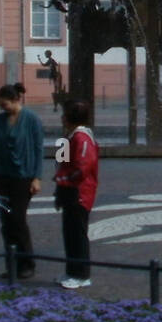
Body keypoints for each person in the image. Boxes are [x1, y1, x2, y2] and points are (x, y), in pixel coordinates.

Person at [0, 84, 43, 279]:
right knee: (6, 222)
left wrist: (37, 177)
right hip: (1, 175)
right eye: (0, 106)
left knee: (18, 220)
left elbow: (39, 150)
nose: (2, 109)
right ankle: (11, 263)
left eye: (4, 105)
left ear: (15, 100)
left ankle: (27, 262)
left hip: (23, 177)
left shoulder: (31, 120)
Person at [54, 100, 99, 289]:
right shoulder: (69, 136)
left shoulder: (81, 138)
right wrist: (59, 185)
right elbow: (60, 162)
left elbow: (83, 168)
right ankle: (72, 271)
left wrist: (63, 180)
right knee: (69, 233)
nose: (62, 118)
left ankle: (81, 274)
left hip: (79, 192)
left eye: (65, 115)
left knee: (78, 235)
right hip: (68, 190)